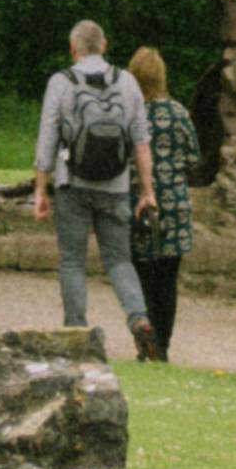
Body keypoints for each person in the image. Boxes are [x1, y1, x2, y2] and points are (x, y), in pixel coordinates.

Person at [25, 17, 152, 345]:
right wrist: (147, 192)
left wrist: (41, 189)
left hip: (73, 184)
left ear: (73, 49)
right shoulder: (127, 82)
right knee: (119, 260)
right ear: (104, 45)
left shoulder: (61, 82)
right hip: (116, 185)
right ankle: (138, 317)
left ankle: (77, 332)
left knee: (72, 261)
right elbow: (141, 142)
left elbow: (47, 138)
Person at [126, 43, 202, 357]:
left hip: (137, 203)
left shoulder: (129, 114)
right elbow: (194, 158)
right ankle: (164, 344)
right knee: (167, 280)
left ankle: (146, 339)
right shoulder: (178, 113)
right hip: (174, 206)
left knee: (142, 277)